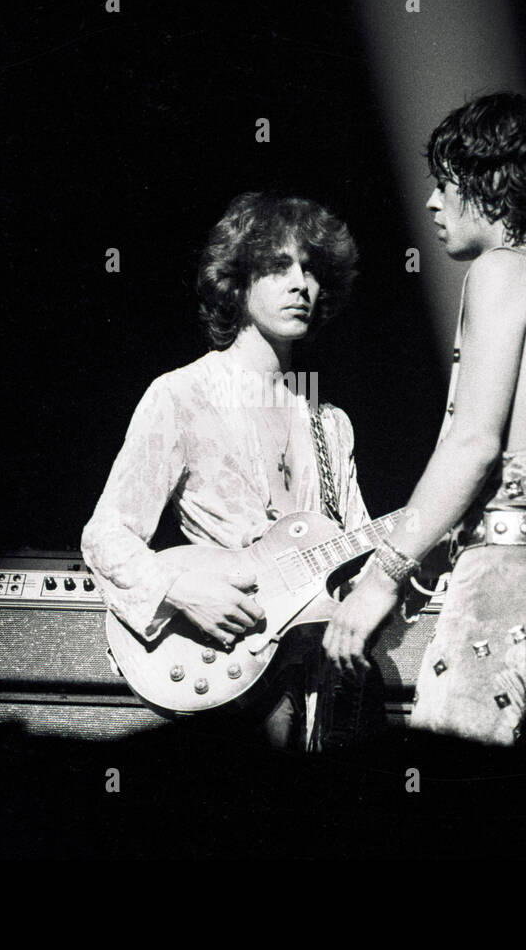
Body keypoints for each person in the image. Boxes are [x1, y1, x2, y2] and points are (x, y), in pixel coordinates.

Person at [324, 92, 526, 752]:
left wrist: (382, 580)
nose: (433, 203)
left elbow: (474, 446)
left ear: (489, 185)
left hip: (499, 597)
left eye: (444, 183)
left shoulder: (501, 272)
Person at [81, 192, 369, 750]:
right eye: (279, 266)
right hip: (234, 672)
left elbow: (357, 553)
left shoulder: (329, 423)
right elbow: (107, 535)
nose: (300, 285)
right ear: (237, 283)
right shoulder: (182, 394)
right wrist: (182, 590)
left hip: (323, 682)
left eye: (311, 271)